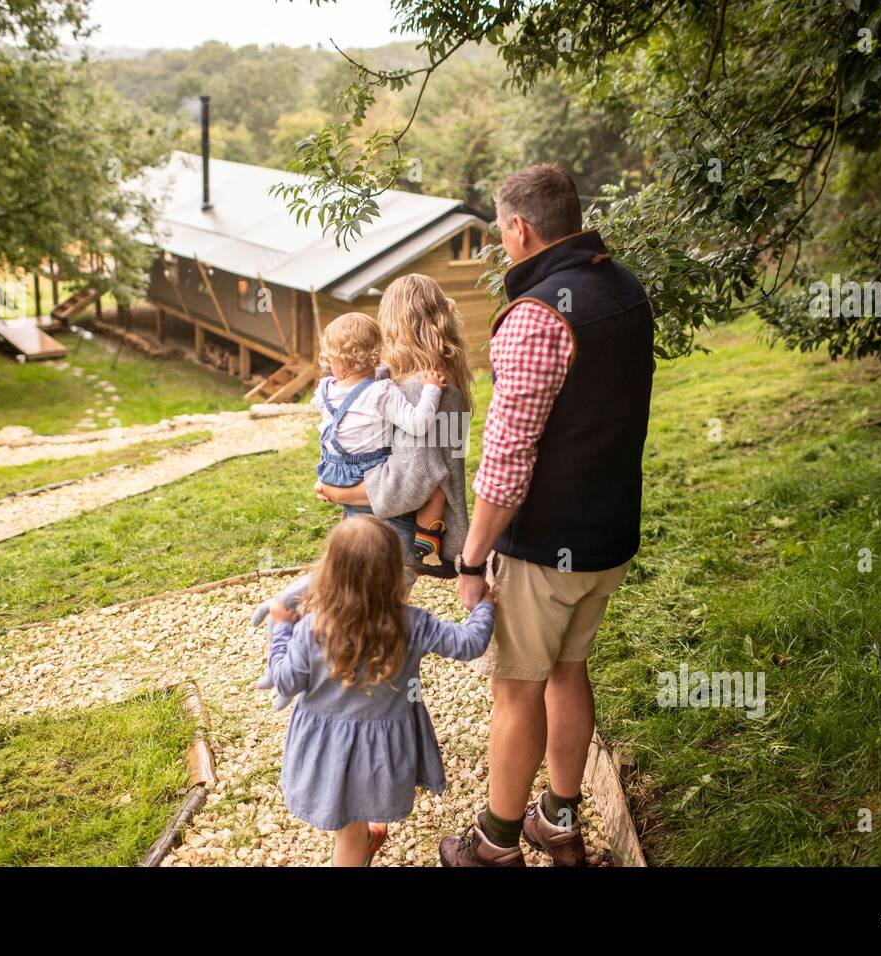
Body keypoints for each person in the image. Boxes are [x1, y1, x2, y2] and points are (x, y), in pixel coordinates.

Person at [440, 163, 655, 867]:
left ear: (518, 229)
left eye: (502, 233)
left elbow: (505, 463)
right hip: (610, 539)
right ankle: (558, 818)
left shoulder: (537, 315)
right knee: (569, 668)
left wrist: (471, 558)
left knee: (516, 691)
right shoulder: (625, 288)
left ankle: (496, 841)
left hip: (547, 547)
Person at [266, 515, 496, 866]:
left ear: (329, 570)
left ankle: (357, 843)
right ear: (393, 571)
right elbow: (469, 644)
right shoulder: (411, 623)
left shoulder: (314, 627)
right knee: (355, 817)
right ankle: (362, 838)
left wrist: (281, 628)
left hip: (328, 750)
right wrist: (484, 606)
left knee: (346, 827)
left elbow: (285, 681)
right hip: (383, 750)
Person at [317, 274, 476, 577]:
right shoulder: (445, 381)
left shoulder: (421, 389)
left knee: (364, 610)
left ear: (394, 321)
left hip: (389, 529)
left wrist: (337, 492)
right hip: (408, 528)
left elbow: (413, 481)